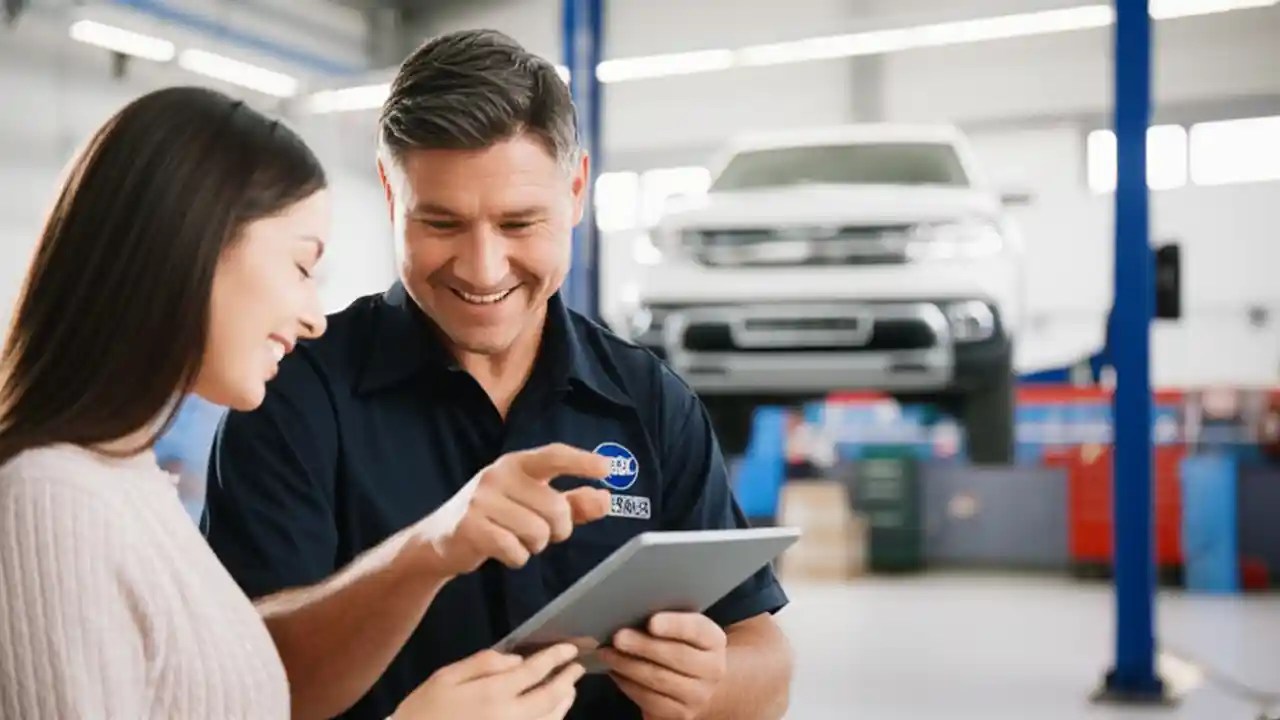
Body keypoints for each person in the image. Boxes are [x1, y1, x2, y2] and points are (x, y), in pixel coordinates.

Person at [204, 28, 795, 720]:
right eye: (443, 223)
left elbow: (766, 659)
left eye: (519, 223)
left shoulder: (649, 402)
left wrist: (707, 682)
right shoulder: (294, 394)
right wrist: (424, 554)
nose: (483, 269)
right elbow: (245, 682)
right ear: (392, 196)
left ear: (575, 190)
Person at [0, 86, 607, 720]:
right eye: (300, 266)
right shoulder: (54, 499)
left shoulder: (128, 487)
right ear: (191, 254)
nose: (314, 317)